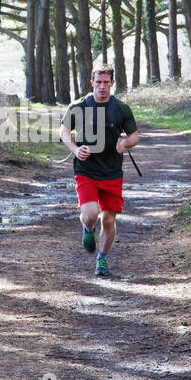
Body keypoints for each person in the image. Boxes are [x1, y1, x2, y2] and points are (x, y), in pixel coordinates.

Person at [58, 64, 139, 276]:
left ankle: (101, 259)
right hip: (86, 170)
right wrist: (75, 149)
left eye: (106, 83)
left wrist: (125, 143)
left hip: (112, 172)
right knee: (91, 214)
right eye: (98, 82)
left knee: (109, 219)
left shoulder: (121, 109)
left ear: (112, 84)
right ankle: (87, 228)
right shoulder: (79, 106)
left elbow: (134, 136)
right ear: (92, 82)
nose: (102, 87)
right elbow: (64, 131)